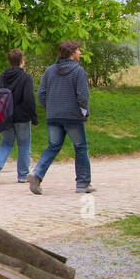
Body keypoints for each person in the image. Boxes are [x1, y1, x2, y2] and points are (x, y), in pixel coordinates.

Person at [30, 39, 93, 194]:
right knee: (80, 147)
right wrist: (83, 110)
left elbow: (41, 94)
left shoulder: (49, 71)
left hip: (53, 116)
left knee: (53, 146)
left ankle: (37, 174)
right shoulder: (78, 71)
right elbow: (83, 95)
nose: (80, 53)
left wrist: (50, 107)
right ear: (72, 53)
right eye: (78, 50)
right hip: (72, 116)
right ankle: (83, 183)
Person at [0, 48, 36, 184]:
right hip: (22, 117)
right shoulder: (26, 78)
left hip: (5, 116)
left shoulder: (2, 76)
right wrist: (34, 117)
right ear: (22, 61)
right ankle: (23, 175)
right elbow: (29, 99)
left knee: (6, 142)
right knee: (24, 145)